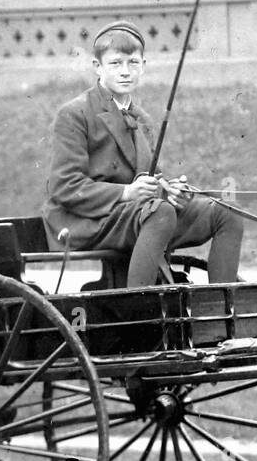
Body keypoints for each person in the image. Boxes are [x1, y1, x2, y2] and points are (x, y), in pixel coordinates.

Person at [42, 20, 243, 285]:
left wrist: (172, 192)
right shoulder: (75, 114)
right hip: (89, 221)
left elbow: (151, 180)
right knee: (159, 213)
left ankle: (222, 306)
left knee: (227, 213)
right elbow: (65, 187)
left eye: (133, 63)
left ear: (143, 66)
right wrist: (127, 192)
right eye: (115, 63)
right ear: (97, 67)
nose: (125, 72)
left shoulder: (142, 119)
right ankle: (138, 307)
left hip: (139, 215)